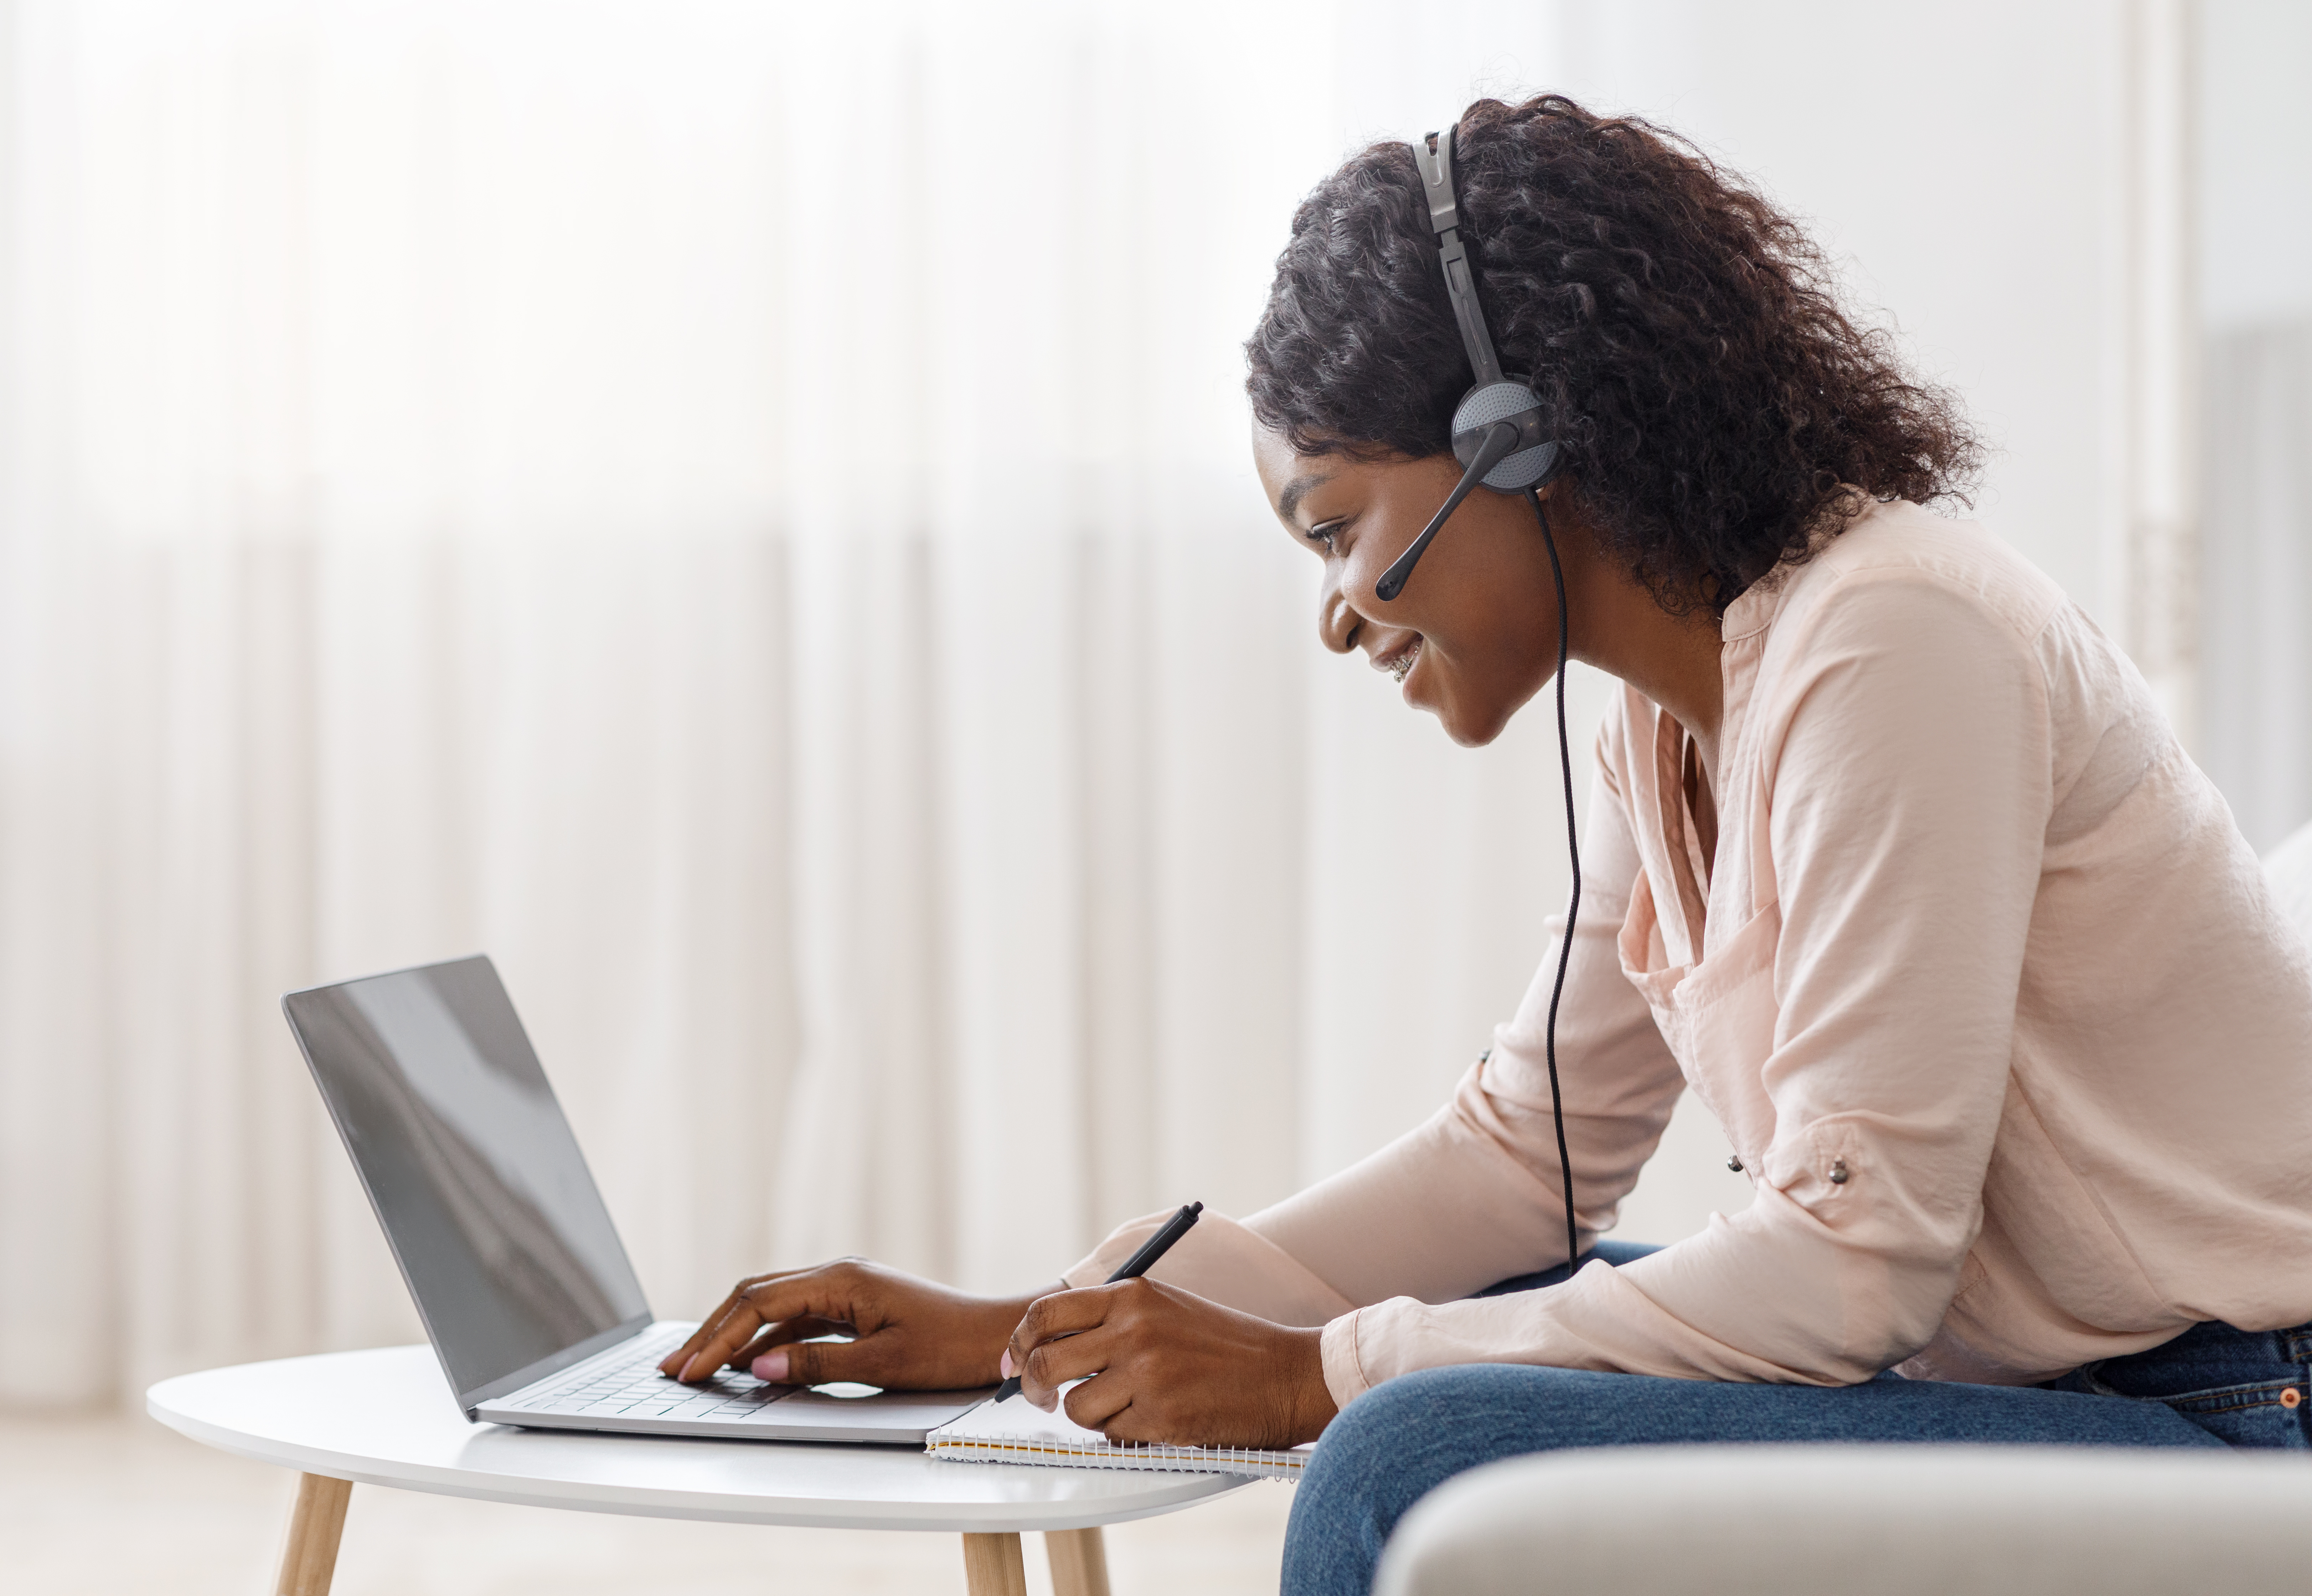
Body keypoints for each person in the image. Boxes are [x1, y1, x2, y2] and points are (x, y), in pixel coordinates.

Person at [662, 95, 2312, 1595]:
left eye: (1338, 530)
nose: (1336, 614)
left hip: (2234, 1413)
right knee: (1474, 1356)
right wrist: (1030, 1328)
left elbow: (1853, 1267)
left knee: (1408, 1444)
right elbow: (1519, 1162)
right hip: (2031, 1378)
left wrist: (1317, 1374)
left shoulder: (1893, 637)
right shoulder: (1664, 717)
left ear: (1521, 440)